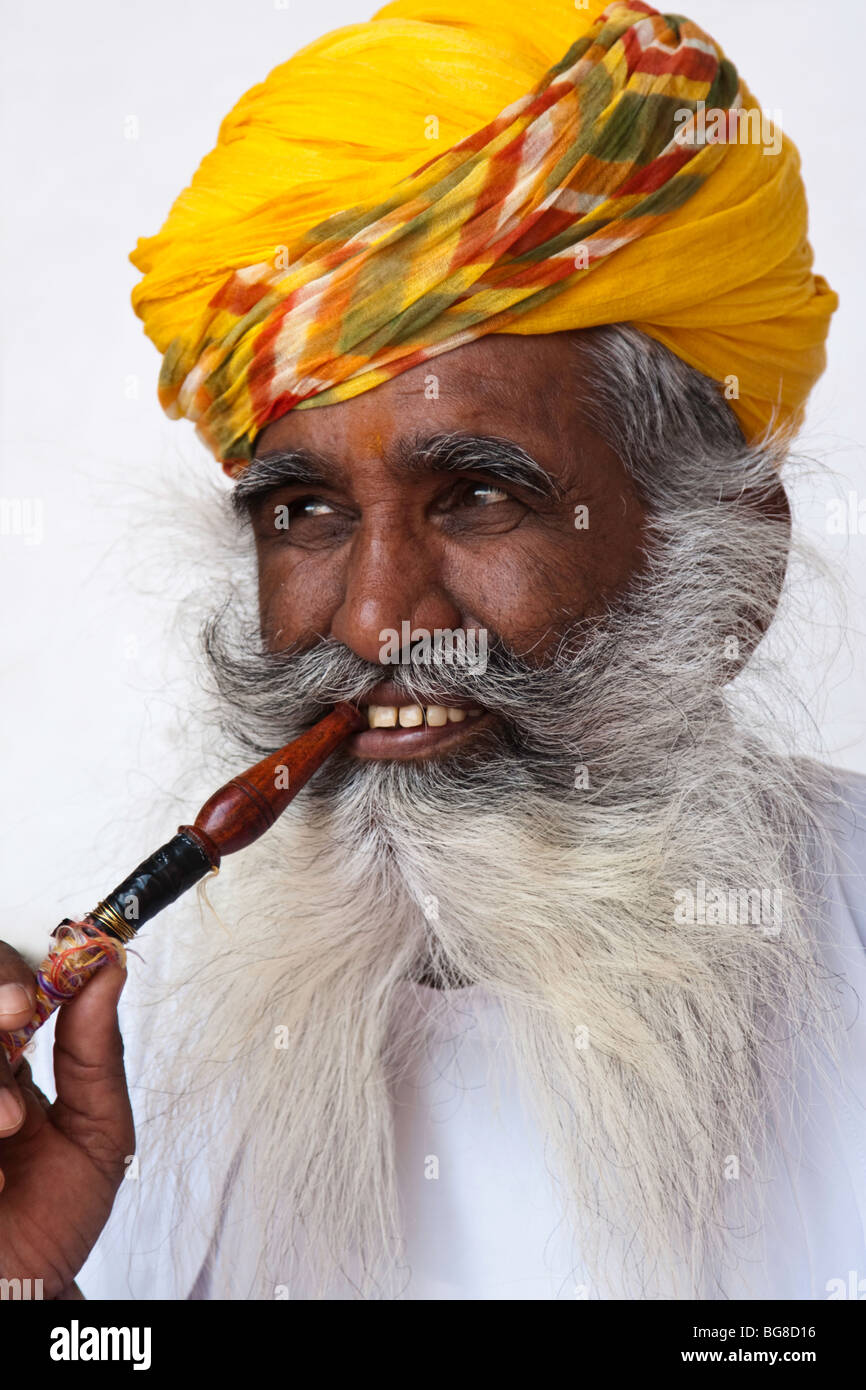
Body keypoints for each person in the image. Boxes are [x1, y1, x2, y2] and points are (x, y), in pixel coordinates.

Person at [2, 0, 863, 1301]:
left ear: (732, 564)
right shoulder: (110, 1049)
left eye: (478, 496)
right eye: (306, 513)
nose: (371, 620)